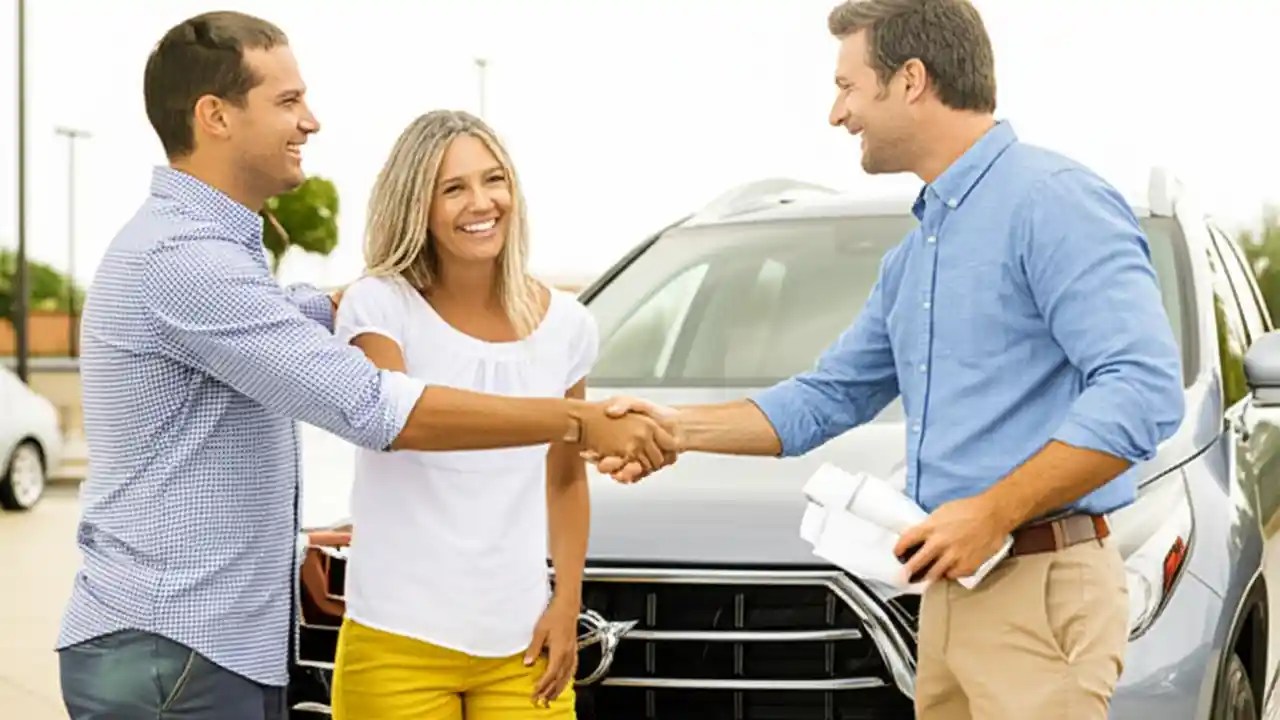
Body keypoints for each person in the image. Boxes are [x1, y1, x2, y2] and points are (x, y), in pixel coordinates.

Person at [56, 12, 673, 720]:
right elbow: (377, 409)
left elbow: (280, 315)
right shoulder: (186, 260)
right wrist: (580, 419)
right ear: (215, 116)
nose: (310, 121)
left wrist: (410, 285)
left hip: (193, 650)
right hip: (175, 654)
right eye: (286, 101)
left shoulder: (209, 253)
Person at [589, 0, 1185, 718]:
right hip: (947, 596)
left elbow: (1141, 390)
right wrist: (673, 428)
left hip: (1040, 586)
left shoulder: (1052, 201)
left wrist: (991, 513)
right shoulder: (918, 253)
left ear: (910, 79)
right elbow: (824, 398)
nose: (837, 114)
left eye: (847, 85)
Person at [327, 110, 589, 719]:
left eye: (493, 180)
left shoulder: (570, 327)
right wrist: (570, 418)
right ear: (416, 204)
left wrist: (566, 605)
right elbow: (402, 421)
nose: (482, 202)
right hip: (396, 641)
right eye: (453, 188)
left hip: (523, 644)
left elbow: (567, 478)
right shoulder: (379, 306)